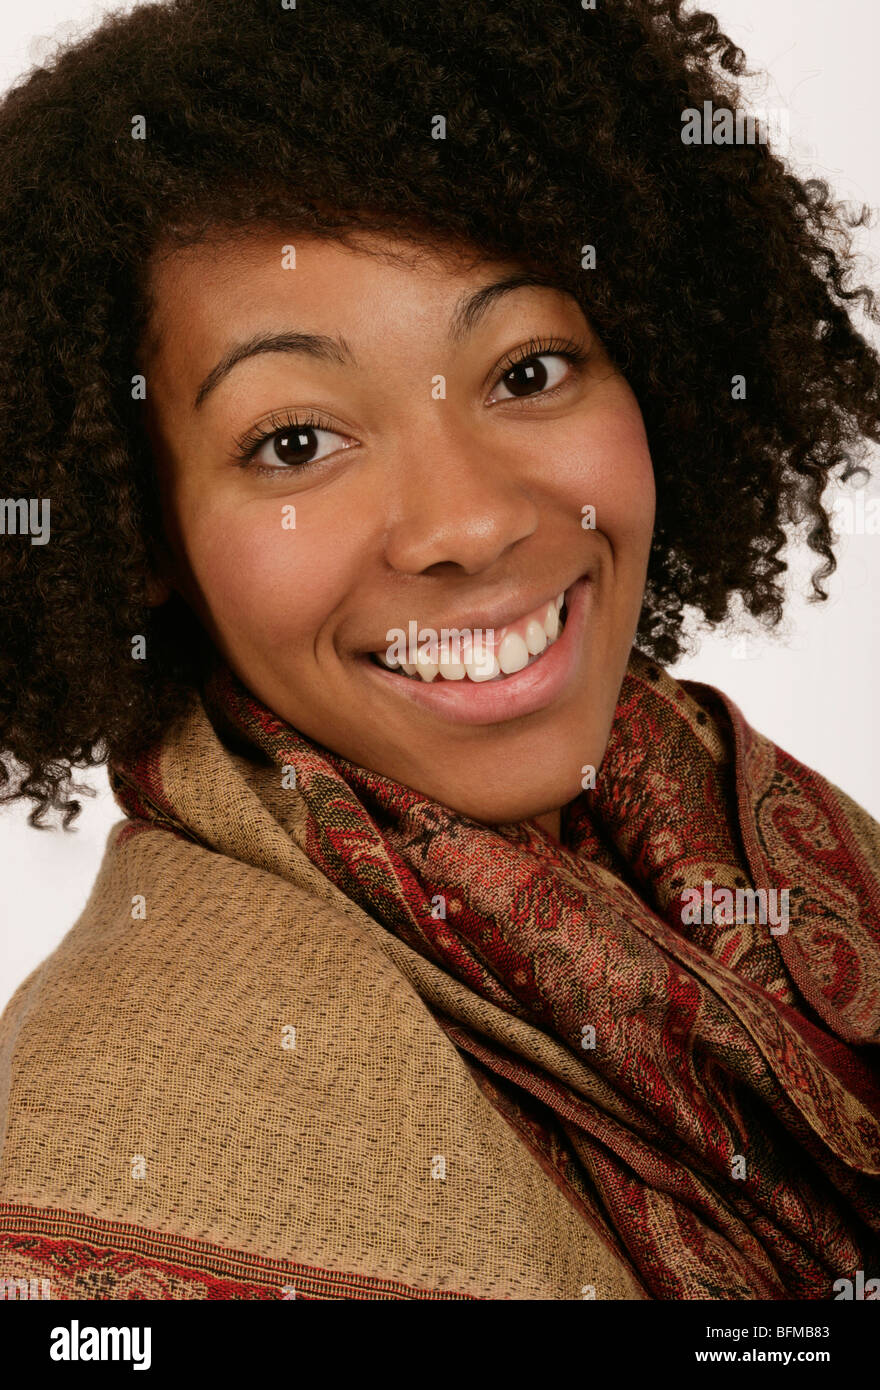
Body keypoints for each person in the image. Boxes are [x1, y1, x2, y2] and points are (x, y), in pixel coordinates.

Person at [0, 0, 878, 1301]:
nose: (468, 520)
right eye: (295, 441)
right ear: (139, 531)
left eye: (527, 371)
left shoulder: (782, 841)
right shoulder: (97, 1197)